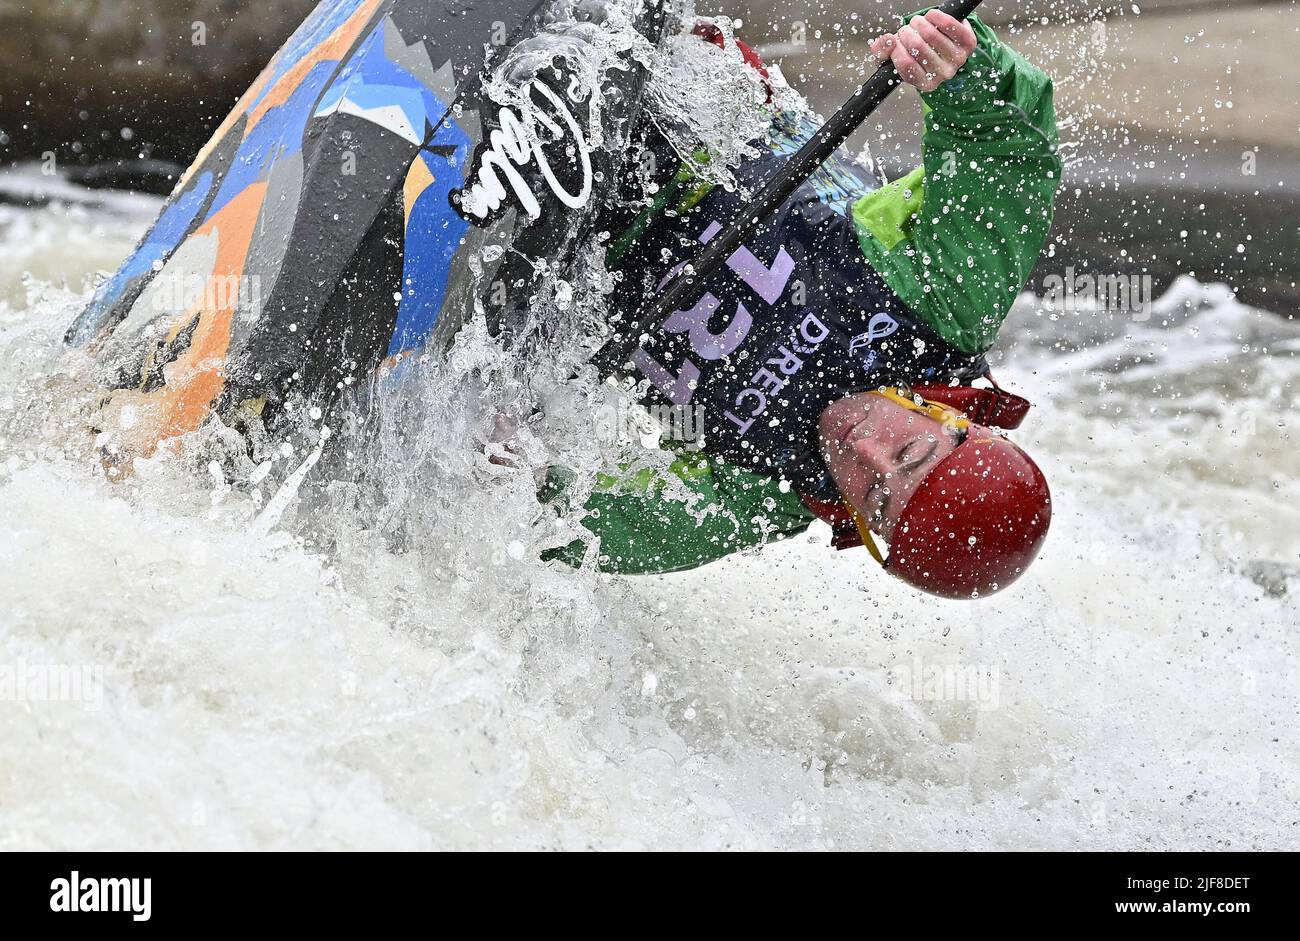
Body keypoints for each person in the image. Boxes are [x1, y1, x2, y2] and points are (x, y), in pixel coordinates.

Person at [535, 7, 1060, 598]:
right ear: (955, 420)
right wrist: (959, 70)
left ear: (864, 529)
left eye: (878, 497)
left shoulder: (764, 491)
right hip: (679, 108)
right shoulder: (948, 307)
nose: (865, 451)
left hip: (558, 243)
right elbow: (1006, 153)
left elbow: (588, 525)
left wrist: (517, 474)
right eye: (910, 451)